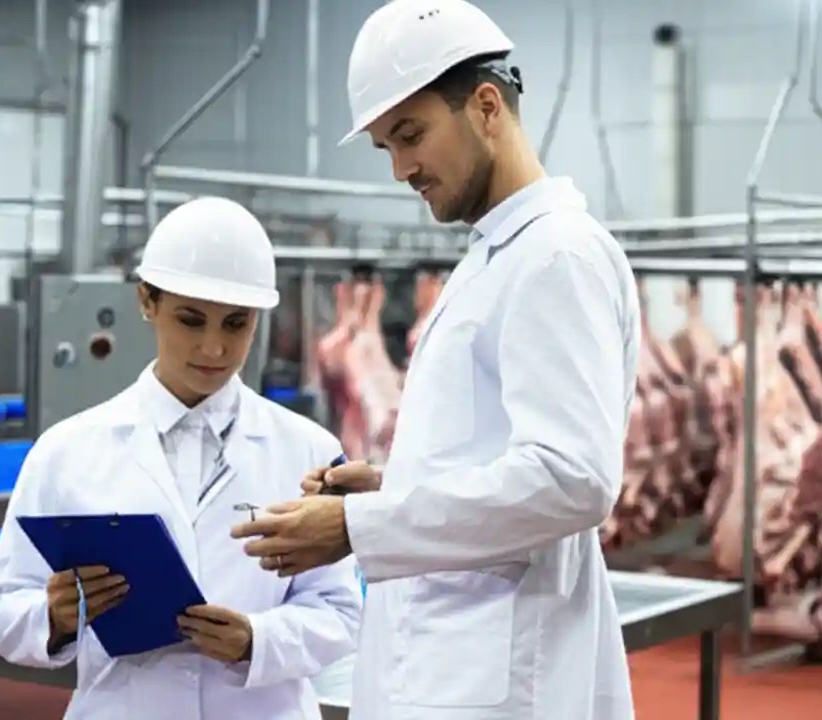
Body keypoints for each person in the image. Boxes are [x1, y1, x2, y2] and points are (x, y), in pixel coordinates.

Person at [230, 1, 642, 718]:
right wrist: (391, 488)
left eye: (410, 135)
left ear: (486, 106)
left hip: (497, 676)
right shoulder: (499, 256)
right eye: (387, 146)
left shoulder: (555, 258)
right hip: (450, 660)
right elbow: (504, 451)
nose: (401, 169)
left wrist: (358, 529)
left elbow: (573, 479)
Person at [0, 196, 363, 720]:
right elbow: (8, 613)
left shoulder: (308, 450)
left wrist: (257, 640)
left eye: (236, 324)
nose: (213, 348)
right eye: (191, 320)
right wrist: (56, 617)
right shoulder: (67, 451)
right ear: (147, 302)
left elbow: (341, 611)